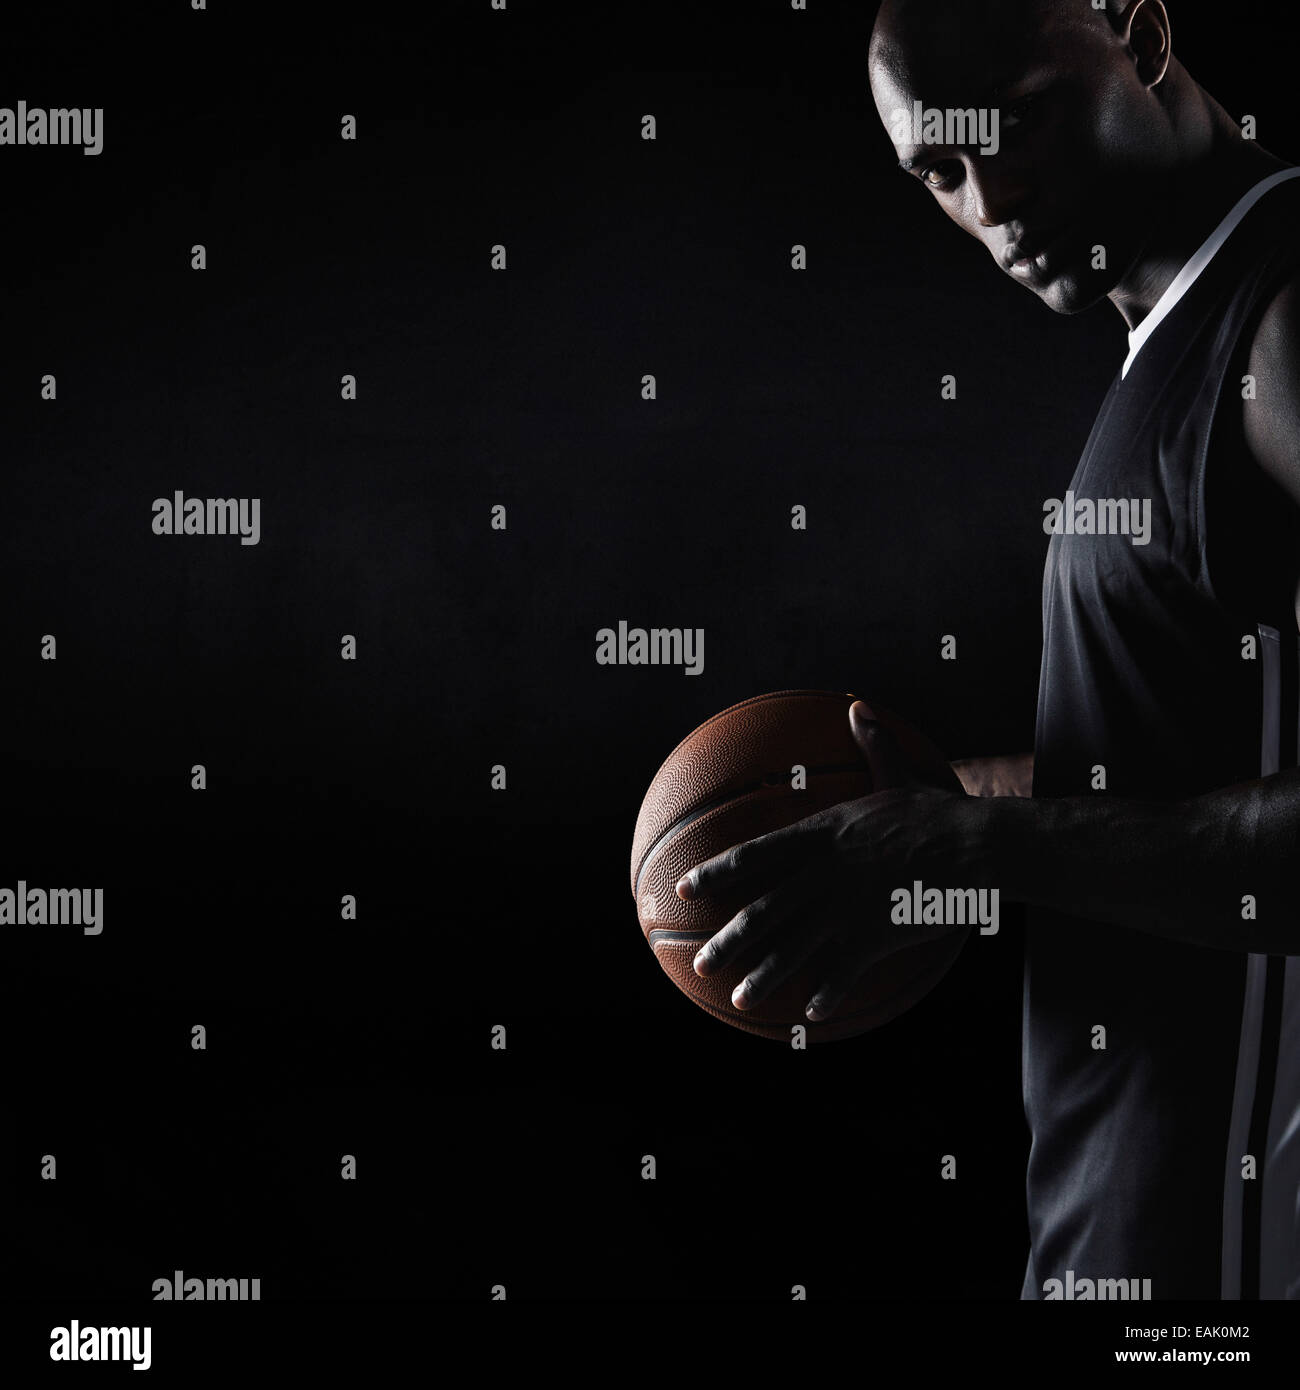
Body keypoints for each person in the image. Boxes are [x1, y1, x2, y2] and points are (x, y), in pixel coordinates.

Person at [676, 0, 1300, 1300]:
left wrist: (979, 849)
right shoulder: (1173, 344)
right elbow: (1188, 763)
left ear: (1138, 28)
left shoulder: (1286, 316)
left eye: (1010, 123)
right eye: (939, 171)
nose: (994, 200)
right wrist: (944, 807)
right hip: (1118, 1240)